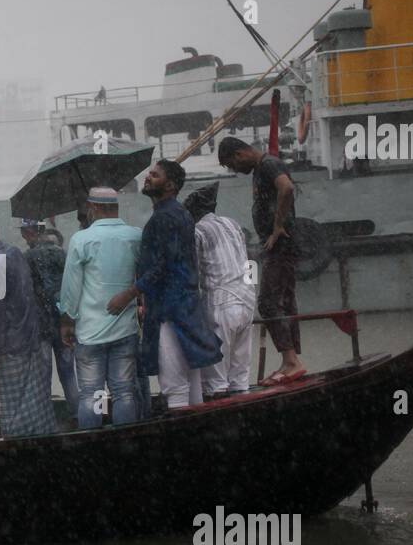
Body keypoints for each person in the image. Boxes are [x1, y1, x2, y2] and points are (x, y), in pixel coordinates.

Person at [106, 160, 222, 409]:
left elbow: (161, 267)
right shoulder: (180, 214)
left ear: (170, 185)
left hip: (169, 311)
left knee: (173, 384)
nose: (147, 177)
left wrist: (127, 295)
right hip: (186, 306)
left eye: (155, 175)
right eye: (149, 173)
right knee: (191, 378)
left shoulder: (163, 218)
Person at [217, 136, 305, 384]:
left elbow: (286, 188)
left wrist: (277, 226)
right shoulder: (262, 167)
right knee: (285, 301)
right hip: (280, 246)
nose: (236, 171)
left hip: (280, 244)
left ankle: (291, 361)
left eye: (232, 165)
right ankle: (292, 361)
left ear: (239, 154)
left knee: (267, 303)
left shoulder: (268, 165)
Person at [57, 187, 143, 429]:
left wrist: (67, 321)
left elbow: (71, 289)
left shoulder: (81, 239)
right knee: (124, 392)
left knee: (92, 393)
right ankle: (125, 442)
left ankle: (92, 442)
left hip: (90, 332)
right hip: (125, 330)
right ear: (115, 207)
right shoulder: (135, 236)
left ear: (92, 208)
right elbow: (146, 275)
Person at [0, 213, 57, 438]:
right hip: (31, 339)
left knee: (14, 409)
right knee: (36, 403)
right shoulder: (14, 253)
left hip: (12, 347)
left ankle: (18, 448)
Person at [184, 181, 255, 398]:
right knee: (240, 371)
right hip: (247, 298)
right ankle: (242, 401)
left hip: (220, 301)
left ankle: (219, 409)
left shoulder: (197, 232)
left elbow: (192, 270)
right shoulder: (233, 224)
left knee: (216, 375)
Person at [21, 219, 78, 417]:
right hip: (64, 322)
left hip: (40, 325)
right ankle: (78, 415)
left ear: (29, 232)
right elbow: (71, 285)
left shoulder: (27, 257)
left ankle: (45, 419)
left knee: (43, 376)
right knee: (68, 373)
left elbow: (24, 292)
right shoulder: (61, 253)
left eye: (23, 231)